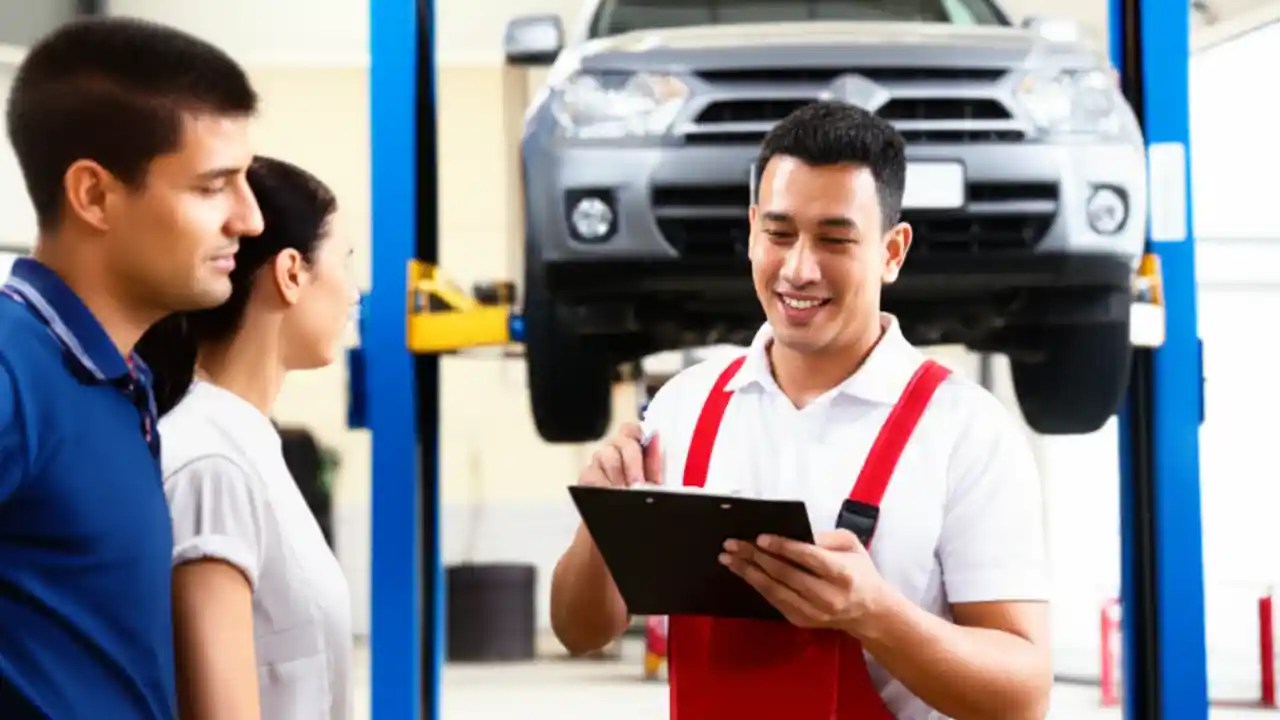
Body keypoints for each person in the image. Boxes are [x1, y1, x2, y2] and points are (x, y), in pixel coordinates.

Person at [549, 101, 1053, 720]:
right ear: (753, 228)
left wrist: (874, 614)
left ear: (892, 251)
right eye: (780, 234)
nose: (799, 268)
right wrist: (602, 525)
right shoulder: (685, 407)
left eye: (835, 239)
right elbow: (579, 631)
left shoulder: (964, 431)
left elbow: (1022, 696)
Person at [0, 17, 262, 720]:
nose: (251, 218)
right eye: (214, 187)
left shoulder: (120, 380)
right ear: (94, 195)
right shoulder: (13, 369)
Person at [135, 155, 357, 720]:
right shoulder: (211, 463)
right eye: (346, 262)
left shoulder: (244, 442)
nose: (355, 293)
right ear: (290, 273)